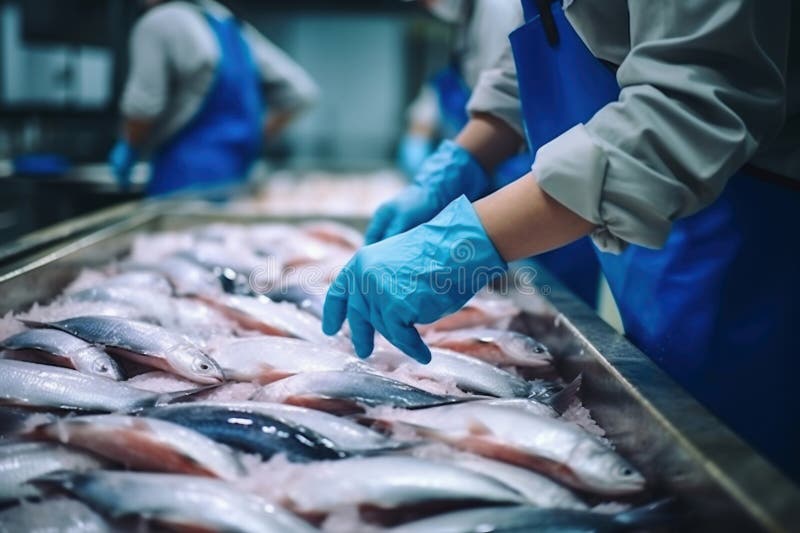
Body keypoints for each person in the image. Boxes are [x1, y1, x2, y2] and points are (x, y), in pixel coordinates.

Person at [325, 0, 800, 481]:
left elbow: (688, 105)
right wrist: (460, 161)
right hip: (648, 241)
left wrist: (462, 240)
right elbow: (541, 54)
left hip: (757, 247)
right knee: (675, 457)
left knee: (749, 469)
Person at [390, 0, 601, 306]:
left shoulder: (496, 8)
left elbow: (658, 126)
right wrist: (457, 165)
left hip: (561, 188)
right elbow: (514, 83)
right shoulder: (480, 15)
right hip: (555, 186)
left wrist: (472, 234)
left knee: (552, 300)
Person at [109, 0, 318, 196]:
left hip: (183, 172)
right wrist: (251, 138)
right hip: (238, 172)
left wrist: (129, 148)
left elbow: (144, 107)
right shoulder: (233, 27)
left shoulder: (158, 22)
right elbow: (301, 91)